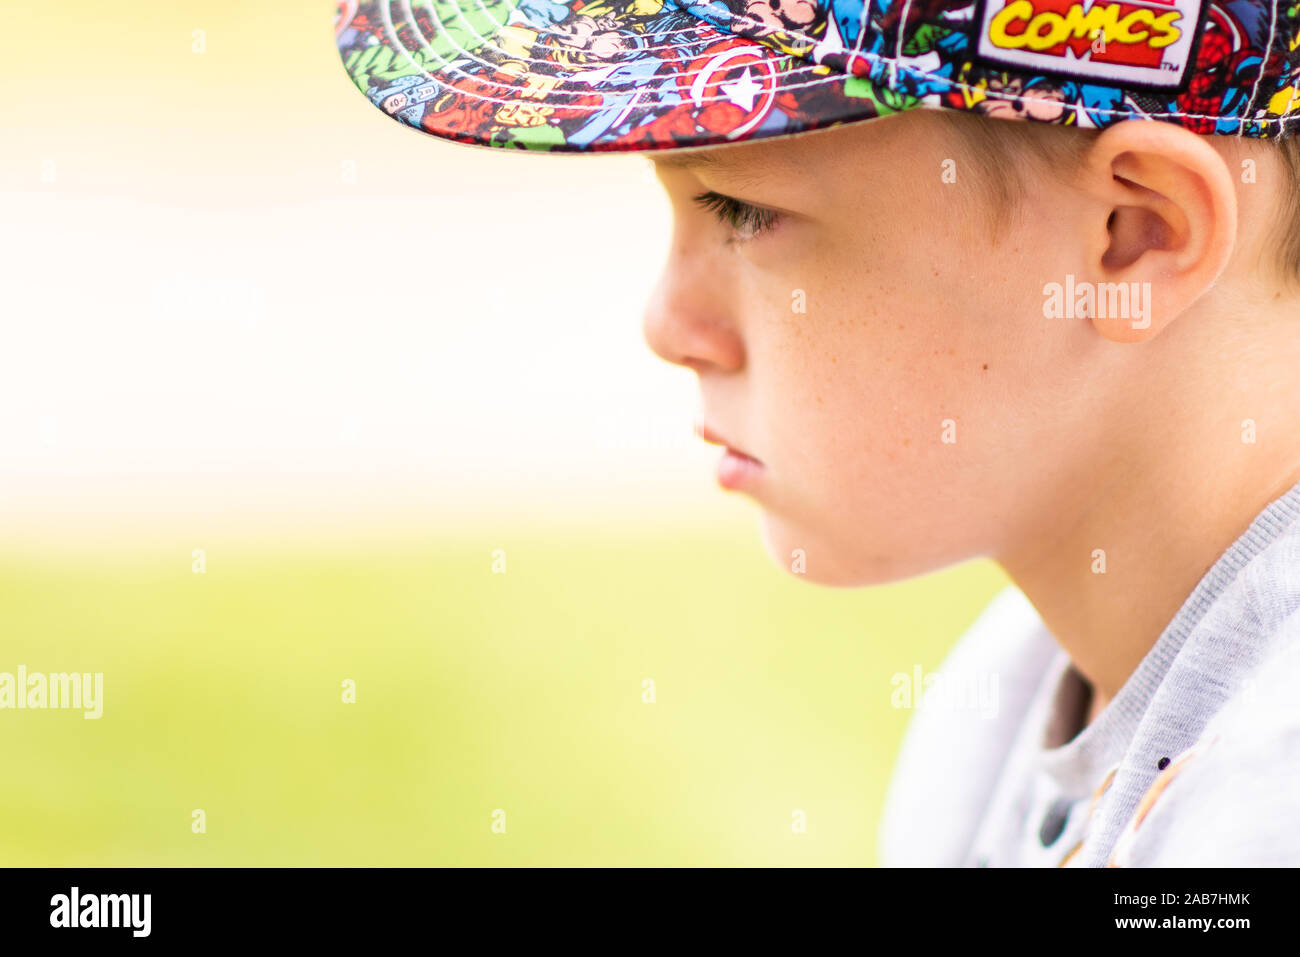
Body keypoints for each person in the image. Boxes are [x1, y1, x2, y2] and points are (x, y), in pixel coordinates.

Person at [334, 0, 1300, 865]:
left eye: (745, 208)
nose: (670, 326)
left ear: (1133, 235)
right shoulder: (1011, 693)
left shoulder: (1266, 803)